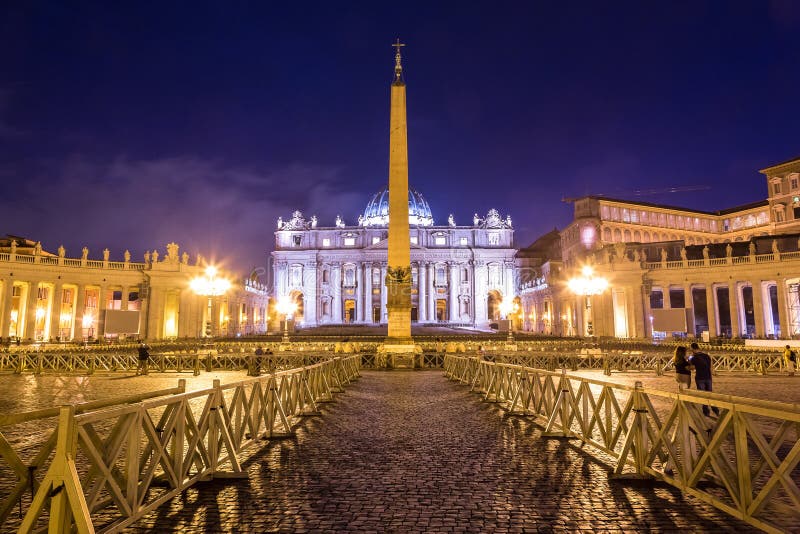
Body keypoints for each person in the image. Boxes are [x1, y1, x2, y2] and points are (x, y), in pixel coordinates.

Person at [689, 342, 719, 416]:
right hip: (708, 377)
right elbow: (711, 366)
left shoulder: (694, 358)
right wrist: (713, 372)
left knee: (703, 395)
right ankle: (715, 409)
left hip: (700, 377)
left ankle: (706, 411)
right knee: (709, 394)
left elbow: (692, 368)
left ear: (692, 349)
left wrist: (689, 360)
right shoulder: (706, 356)